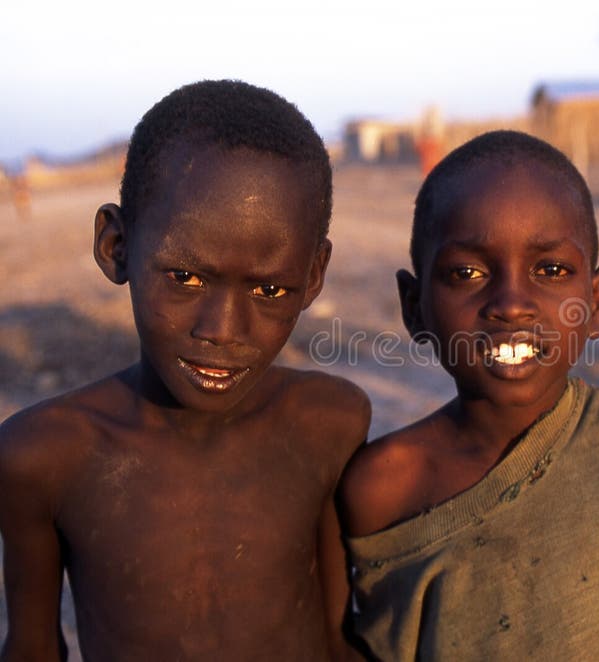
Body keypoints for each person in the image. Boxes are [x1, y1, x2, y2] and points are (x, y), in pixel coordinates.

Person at [0, 80, 371, 661]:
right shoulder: (43, 457)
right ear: (117, 246)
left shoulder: (330, 423)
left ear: (314, 275)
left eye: (269, 290)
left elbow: (338, 636)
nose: (222, 331)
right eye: (186, 278)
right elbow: (31, 649)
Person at [338, 130, 599, 660]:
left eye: (550, 270)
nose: (512, 304)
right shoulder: (382, 486)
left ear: (596, 301)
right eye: (467, 273)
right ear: (414, 306)